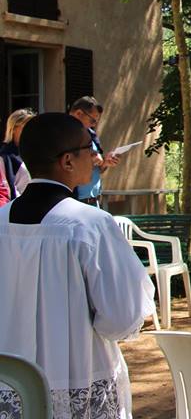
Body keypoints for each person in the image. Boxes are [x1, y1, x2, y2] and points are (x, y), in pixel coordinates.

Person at [0, 112, 155, 419]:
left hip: (11, 383)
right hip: (79, 373)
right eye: (89, 149)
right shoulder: (89, 224)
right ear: (67, 161)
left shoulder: (1, 221)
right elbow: (122, 316)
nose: (96, 156)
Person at [69, 97, 120, 206]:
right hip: (74, 202)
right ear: (78, 113)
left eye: (96, 121)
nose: (94, 125)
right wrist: (89, 158)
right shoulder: (62, 133)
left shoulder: (91, 134)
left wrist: (105, 162)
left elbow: (97, 168)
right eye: (92, 120)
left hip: (94, 200)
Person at [0, 107, 35, 199]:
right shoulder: (5, 156)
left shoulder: (33, 152)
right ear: (13, 128)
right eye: (26, 127)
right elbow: (5, 190)